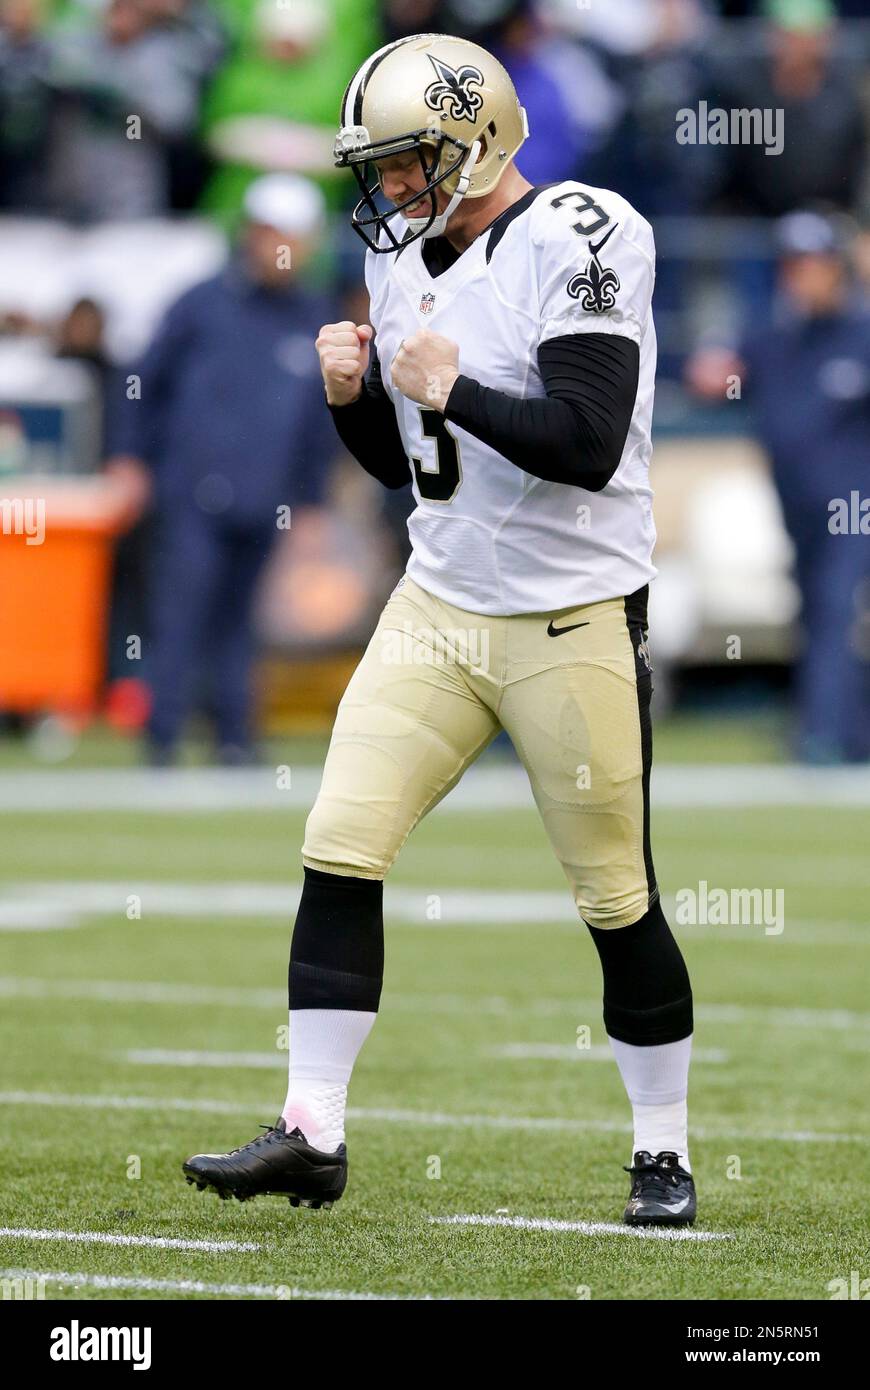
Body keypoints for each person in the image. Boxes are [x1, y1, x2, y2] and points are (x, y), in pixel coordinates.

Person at [183, 33, 696, 1227]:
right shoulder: (402, 257)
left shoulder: (585, 231)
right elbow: (415, 473)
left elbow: (583, 439)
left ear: (474, 141)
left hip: (570, 615)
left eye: (409, 161)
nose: (391, 187)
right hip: (438, 603)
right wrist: (357, 401)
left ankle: (661, 1148)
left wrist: (447, 384)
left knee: (615, 894)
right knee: (339, 842)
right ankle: (312, 1130)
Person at [109, 173, 336, 764]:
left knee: (243, 620)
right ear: (253, 234)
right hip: (190, 489)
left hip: (268, 497)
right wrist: (130, 457)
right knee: (181, 612)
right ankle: (162, 741)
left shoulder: (314, 316)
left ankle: (236, 741)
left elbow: (320, 422)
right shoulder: (202, 303)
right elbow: (141, 384)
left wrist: (311, 501)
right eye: (274, 234)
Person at [688, 209, 870, 764]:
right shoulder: (770, 338)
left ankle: (821, 734)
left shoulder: (862, 335)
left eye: (813, 266)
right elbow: (712, 377)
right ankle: (849, 731)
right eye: (793, 267)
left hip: (855, 506)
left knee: (837, 604)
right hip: (796, 505)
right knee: (814, 608)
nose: (802, 278)